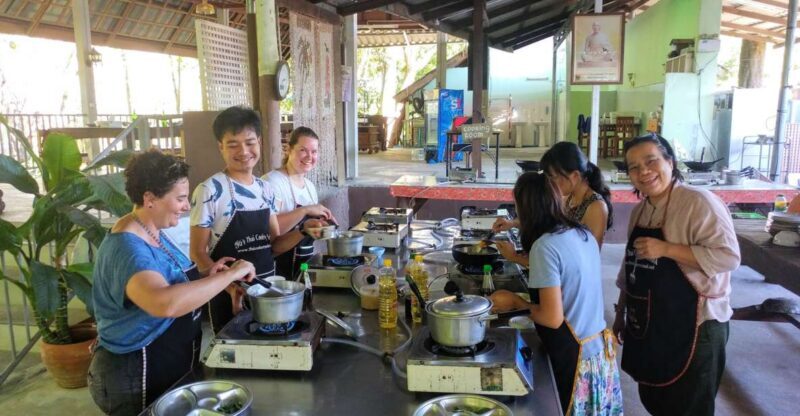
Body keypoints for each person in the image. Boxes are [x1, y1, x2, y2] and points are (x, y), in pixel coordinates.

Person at [88, 150, 256, 415]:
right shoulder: (128, 248)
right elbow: (163, 302)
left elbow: (174, 281)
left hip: (168, 365)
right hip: (136, 374)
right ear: (150, 198)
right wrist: (229, 275)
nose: (187, 206)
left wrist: (211, 278)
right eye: (179, 198)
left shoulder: (152, 230)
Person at [613, 134, 739, 416]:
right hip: (651, 321)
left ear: (670, 162)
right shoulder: (640, 211)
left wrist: (667, 249)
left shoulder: (699, 202)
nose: (643, 171)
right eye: (633, 167)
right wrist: (621, 311)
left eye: (651, 161)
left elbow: (728, 257)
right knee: (654, 395)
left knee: (689, 405)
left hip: (696, 324)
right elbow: (630, 267)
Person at [490, 172, 623, 415]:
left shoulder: (544, 246)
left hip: (577, 360)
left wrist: (516, 302)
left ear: (525, 207)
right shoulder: (580, 233)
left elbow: (552, 318)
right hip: (599, 354)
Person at [189, 106, 322, 333]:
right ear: (220, 147)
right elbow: (198, 253)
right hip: (229, 296)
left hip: (267, 291)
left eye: (250, 142)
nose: (243, 151)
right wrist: (230, 286)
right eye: (233, 144)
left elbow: (274, 245)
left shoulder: (265, 189)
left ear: (259, 142)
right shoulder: (209, 190)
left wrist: (303, 232)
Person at [493, 142, 612, 266]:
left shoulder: (596, 207)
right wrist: (512, 223)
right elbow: (546, 221)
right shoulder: (567, 197)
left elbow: (586, 259)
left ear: (575, 176)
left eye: (553, 177)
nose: (550, 182)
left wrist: (515, 257)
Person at [264, 126, 336, 280]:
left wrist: (320, 226)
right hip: (276, 269)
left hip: (302, 265)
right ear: (288, 150)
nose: (309, 156)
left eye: (314, 151)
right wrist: (305, 210)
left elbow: (304, 231)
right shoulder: (273, 182)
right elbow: (271, 233)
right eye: (303, 150)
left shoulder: (309, 187)